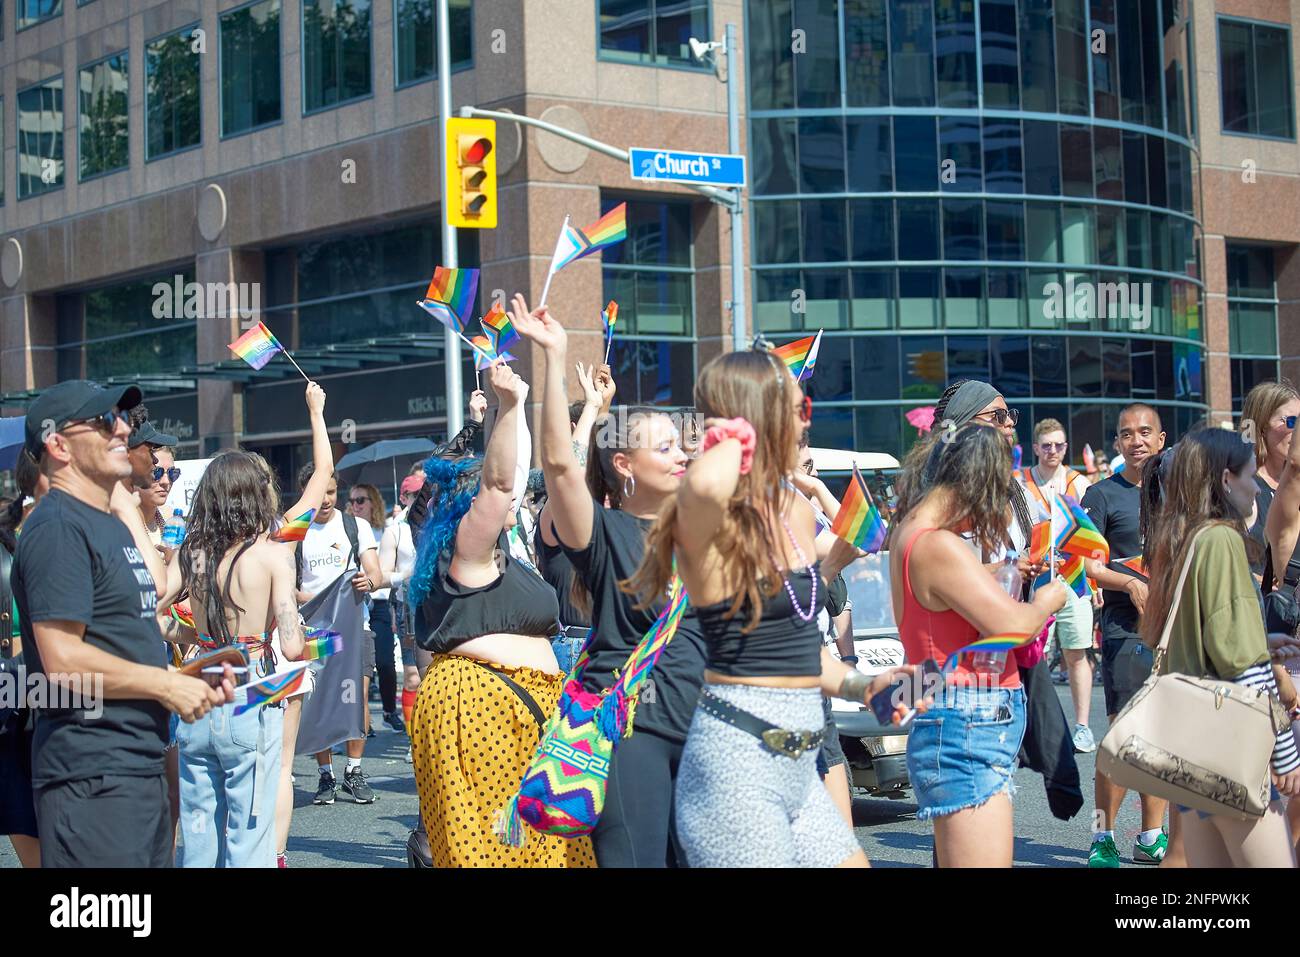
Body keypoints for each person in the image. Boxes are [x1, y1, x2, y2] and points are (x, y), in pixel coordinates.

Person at [627, 349, 915, 867]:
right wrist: (738, 428)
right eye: (794, 409)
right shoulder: (706, 513)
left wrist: (861, 685)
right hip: (737, 767)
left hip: (798, 765)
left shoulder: (793, 512)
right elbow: (701, 485)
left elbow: (805, 650)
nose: (803, 420)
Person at [514, 294, 706, 868]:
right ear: (624, 464)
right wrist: (553, 356)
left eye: (681, 444)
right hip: (633, 734)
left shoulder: (707, 533)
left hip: (705, 733)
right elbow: (559, 463)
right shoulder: (607, 532)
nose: (681, 455)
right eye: (664, 446)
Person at [11, 380, 233, 867]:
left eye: (122, 418)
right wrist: (163, 685)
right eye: (105, 420)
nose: (122, 428)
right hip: (93, 776)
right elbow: (63, 660)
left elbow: (120, 642)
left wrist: (184, 679)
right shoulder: (56, 527)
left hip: (135, 767)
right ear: (58, 444)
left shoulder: (107, 524)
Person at [407, 359, 592, 868]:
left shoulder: (501, 554)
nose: (514, 491)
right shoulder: (468, 553)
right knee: (496, 850)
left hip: (516, 708)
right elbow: (496, 483)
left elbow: (514, 472)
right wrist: (510, 405)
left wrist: (522, 409)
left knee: (537, 848)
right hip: (484, 710)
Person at [888, 423, 1068, 866]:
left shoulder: (913, 532)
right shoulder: (936, 544)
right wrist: (1049, 599)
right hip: (968, 716)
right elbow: (1015, 627)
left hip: (957, 713)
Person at [1139, 428, 1299, 866]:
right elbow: (1243, 665)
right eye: (1251, 475)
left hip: (1190, 749)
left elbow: (1195, 636)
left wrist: (1259, 639)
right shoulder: (1223, 541)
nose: (1257, 486)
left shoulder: (1183, 538)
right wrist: (1285, 755)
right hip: (1229, 749)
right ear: (1226, 480)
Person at [1081, 403, 1170, 866]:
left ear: (1160, 439)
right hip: (1123, 630)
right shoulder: (1100, 495)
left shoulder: (1179, 492)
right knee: (1120, 738)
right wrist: (1130, 582)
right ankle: (1102, 835)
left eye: (1144, 432)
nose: (1135, 441)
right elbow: (1085, 562)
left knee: (1161, 738)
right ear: (1117, 444)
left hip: (1175, 631)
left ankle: (1152, 834)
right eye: (1125, 434)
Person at [295, 467, 384, 806]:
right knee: (318, 700)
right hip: (316, 629)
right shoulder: (296, 533)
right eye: (320, 493)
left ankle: (354, 770)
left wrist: (369, 582)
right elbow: (289, 584)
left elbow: (376, 572)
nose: (327, 500)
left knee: (356, 696)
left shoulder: (355, 526)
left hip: (354, 627)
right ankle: (326, 776)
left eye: (331, 492)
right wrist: (310, 599)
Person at [1017, 418, 1096, 753]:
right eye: (1046, 445)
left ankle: (1082, 727)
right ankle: (1033, 727)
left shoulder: (1079, 483)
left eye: (1059, 446)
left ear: (1066, 447)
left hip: (1073, 578)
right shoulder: (1019, 482)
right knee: (1031, 655)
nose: (1052, 451)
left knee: (1077, 652)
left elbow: (1090, 536)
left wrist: (1095, 582)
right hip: (1034, 578)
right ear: (1035, 448)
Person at [535, 361, 613, 674]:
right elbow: (573, 470)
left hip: (610, 643)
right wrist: (594, 405)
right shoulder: (559, 506)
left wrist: (603, 407)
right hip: (574, 647)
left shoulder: (599, 503)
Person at [0, 452, 47, 867]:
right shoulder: (5, 541)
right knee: (19, 807)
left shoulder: (65, 539)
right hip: (8, 696)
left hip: (53, 695)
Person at [1241, 380, 1300, 582]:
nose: (1298, 432)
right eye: (1292, 422)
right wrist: (1261, 582)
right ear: (1263, 426)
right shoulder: (1239, 487)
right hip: (1258, 606)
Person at [348, 483, 388, 736]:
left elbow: (379, 572)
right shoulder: (348, 528)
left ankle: (387, 711)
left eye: (361, 500)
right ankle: (360, 725)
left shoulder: (387, 530)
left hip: (382, 601)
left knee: (384, 662)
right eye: (352, 501)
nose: (356, 505)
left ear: (373, 501)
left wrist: (374, 579)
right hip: (353, 604)